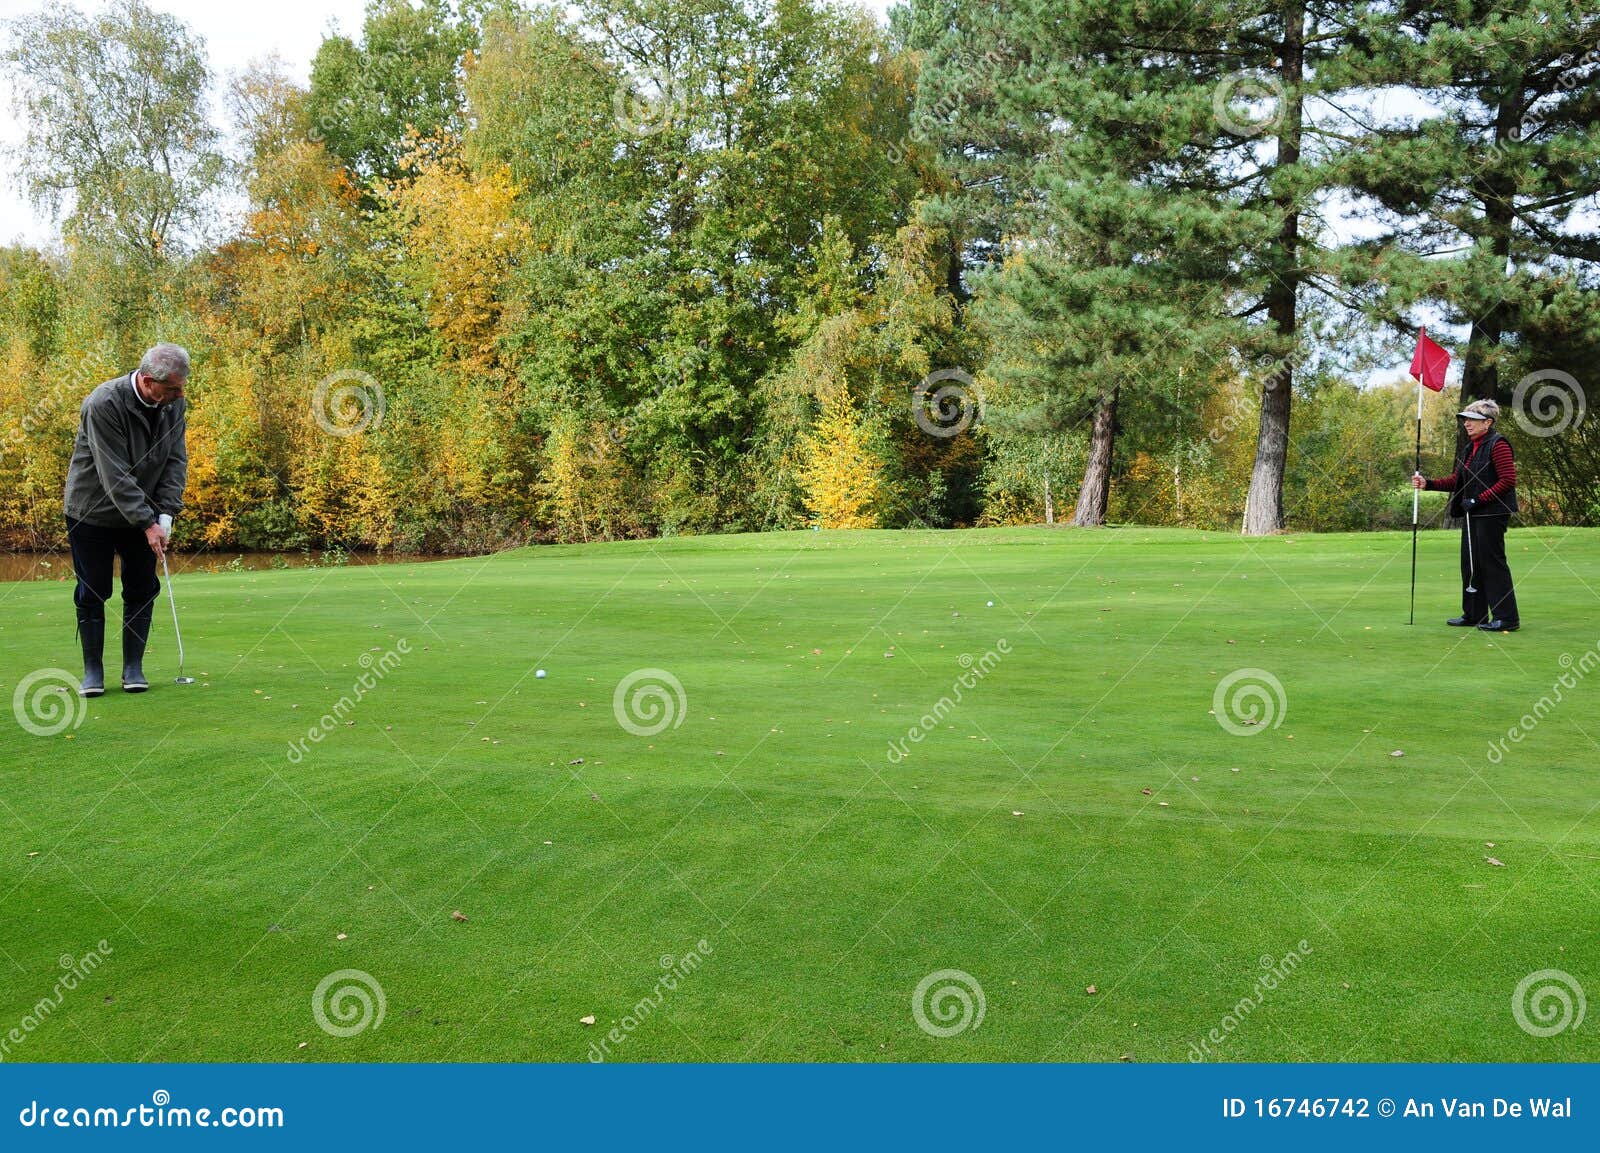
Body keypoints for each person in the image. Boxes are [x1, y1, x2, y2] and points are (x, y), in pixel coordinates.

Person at [62, 344, 190, 695]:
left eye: (181, 387)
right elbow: (114, 474)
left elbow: (175, 460)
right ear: (149, 381)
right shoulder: (103, 403)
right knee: (93, 590)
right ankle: (93, 672)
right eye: (173, 389)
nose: (181, 394)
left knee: (141, 587)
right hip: (92, 511)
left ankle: (133, 668)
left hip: (144, 510)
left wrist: (165, 514)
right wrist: (147, 522)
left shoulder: (174, 404)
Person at [1411, 398, 1519, 632]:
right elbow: (1456, 480)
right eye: (1466, 419)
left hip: (1492, 513)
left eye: (1473, 420)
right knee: (1470, 564)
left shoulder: (1498, 444)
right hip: (1473, 513)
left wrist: (1478, 499)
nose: (1467, 424)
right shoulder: (1471, 447)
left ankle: (1507, 618)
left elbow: (1508, 480)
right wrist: (1427, 483)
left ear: (1488, 422)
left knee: (1492, 563)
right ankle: (1474, 614)